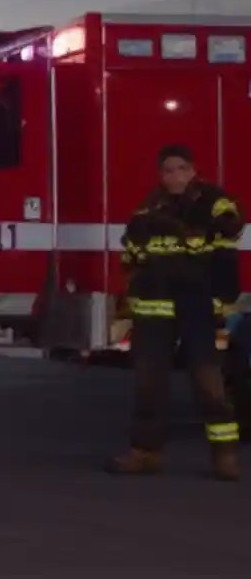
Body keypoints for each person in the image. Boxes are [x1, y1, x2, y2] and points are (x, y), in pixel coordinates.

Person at [110, 144, 242, 481]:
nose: (175, 177)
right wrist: (133, 298)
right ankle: (145, 453)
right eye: (168, 170)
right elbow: (132, 257)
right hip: (153, 309)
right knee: (149, 384)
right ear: (161, 174)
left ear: (193, 170)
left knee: (209, 384)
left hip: (197, 307)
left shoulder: (214, 206)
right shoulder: (147, 211)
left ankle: (225, 457)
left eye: (181, 169)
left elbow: (226, 258)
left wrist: (221, 302)